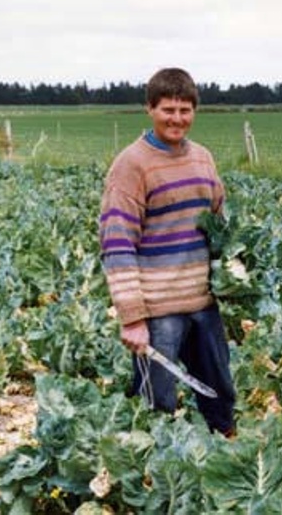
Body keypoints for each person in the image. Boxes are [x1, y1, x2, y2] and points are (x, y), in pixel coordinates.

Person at [98, 67, 235, 436]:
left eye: (184, 110)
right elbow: (117, 243)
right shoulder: (131, 165)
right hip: (158, 312)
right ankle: (151, 479)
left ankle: (225, 457)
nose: (177, 119)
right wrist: (132, 318)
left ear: (194, 111)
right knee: (157, 404)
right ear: (150, 109)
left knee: (221, 396)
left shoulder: (203, 158)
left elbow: (222, 225)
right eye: (168, 110)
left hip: (202, 304)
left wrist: (235, 280)